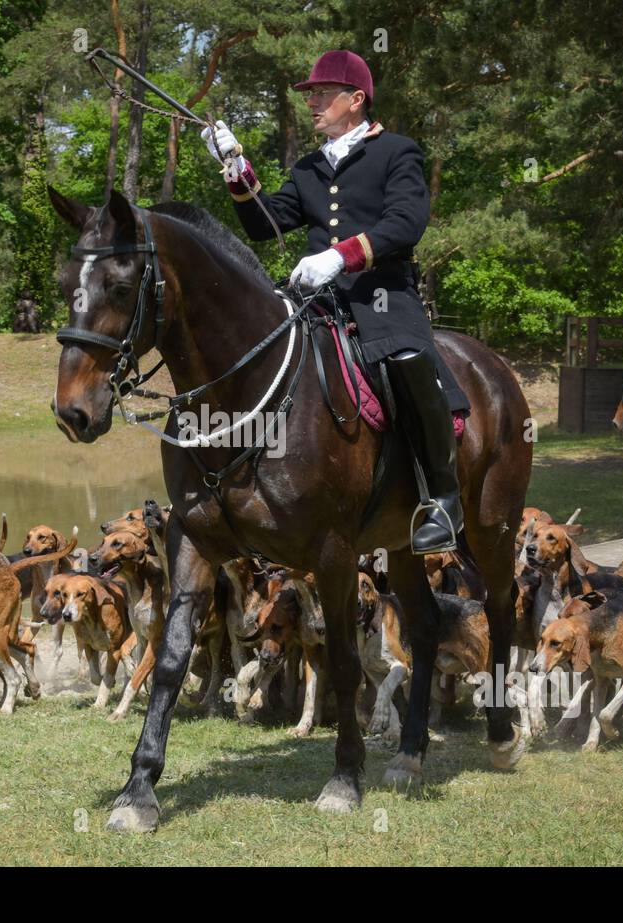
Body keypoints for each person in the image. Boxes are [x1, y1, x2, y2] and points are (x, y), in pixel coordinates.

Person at [201, 50, 468, 554]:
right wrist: (235, 166)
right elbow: (265, 223)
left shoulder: (397, 151)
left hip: (381, 294)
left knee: (407, 358)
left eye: (322, 94)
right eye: (310, 96)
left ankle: (442, 500)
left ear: (356, 100)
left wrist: (342, 257)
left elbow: (406, 222)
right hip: (313, 296)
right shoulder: (308, 168)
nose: (313, 103)